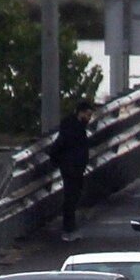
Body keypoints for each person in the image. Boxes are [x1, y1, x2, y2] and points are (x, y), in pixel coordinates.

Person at [52, 100, 94, 240]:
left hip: (76, 168)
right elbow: (63, 145)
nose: (89, 118)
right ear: (80, 113)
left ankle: (70, 227)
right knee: (70, 197)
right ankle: (68, 228)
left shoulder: (77, 127)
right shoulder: (72, 127)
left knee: (73, 197)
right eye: (87, 114)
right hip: (71, 168)